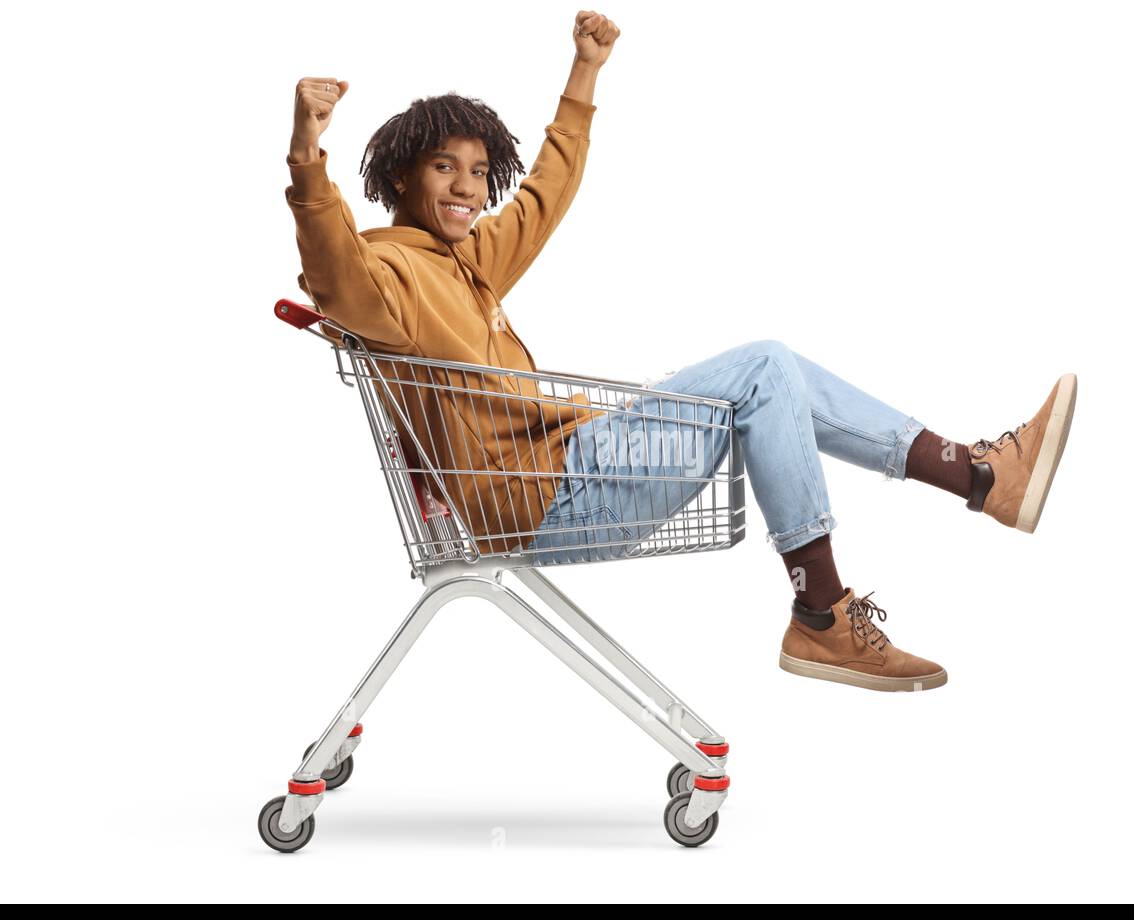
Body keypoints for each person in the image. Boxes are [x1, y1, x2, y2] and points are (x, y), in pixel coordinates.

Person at [285, 9, 1077, 695]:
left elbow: (544, 196)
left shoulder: (467, 262)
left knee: (778, 374)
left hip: (572, 467)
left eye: (478, 172)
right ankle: (830, 607)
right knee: (766, 366)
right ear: (398, 173)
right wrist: (308, 158)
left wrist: (583, 73)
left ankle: (976, 478)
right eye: (443, 168)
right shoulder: (385, 274)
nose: (466, 186)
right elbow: (335, 276)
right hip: (548, 497)